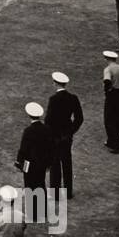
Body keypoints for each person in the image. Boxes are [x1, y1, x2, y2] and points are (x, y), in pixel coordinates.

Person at [43, 71, 83, 199]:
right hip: (67, 135)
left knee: (55, 164)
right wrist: (71, 131)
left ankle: (55, 192)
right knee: (67, 162)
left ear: (55, 83)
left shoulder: (53, 99)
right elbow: (79, 118)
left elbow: (48, 120)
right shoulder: (73, 98)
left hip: (55, 136)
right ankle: (68, 191)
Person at [15, 101, 53, 194]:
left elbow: (23, 149)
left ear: (29, 115)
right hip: (42, 163)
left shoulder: (28, 131)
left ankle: (32, 208)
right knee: (41, 184)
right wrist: (49, 163)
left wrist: (19, 163)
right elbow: (51, 147)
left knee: (30, 187)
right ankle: (41, 207)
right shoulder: (46, 129)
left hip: (29, 165)